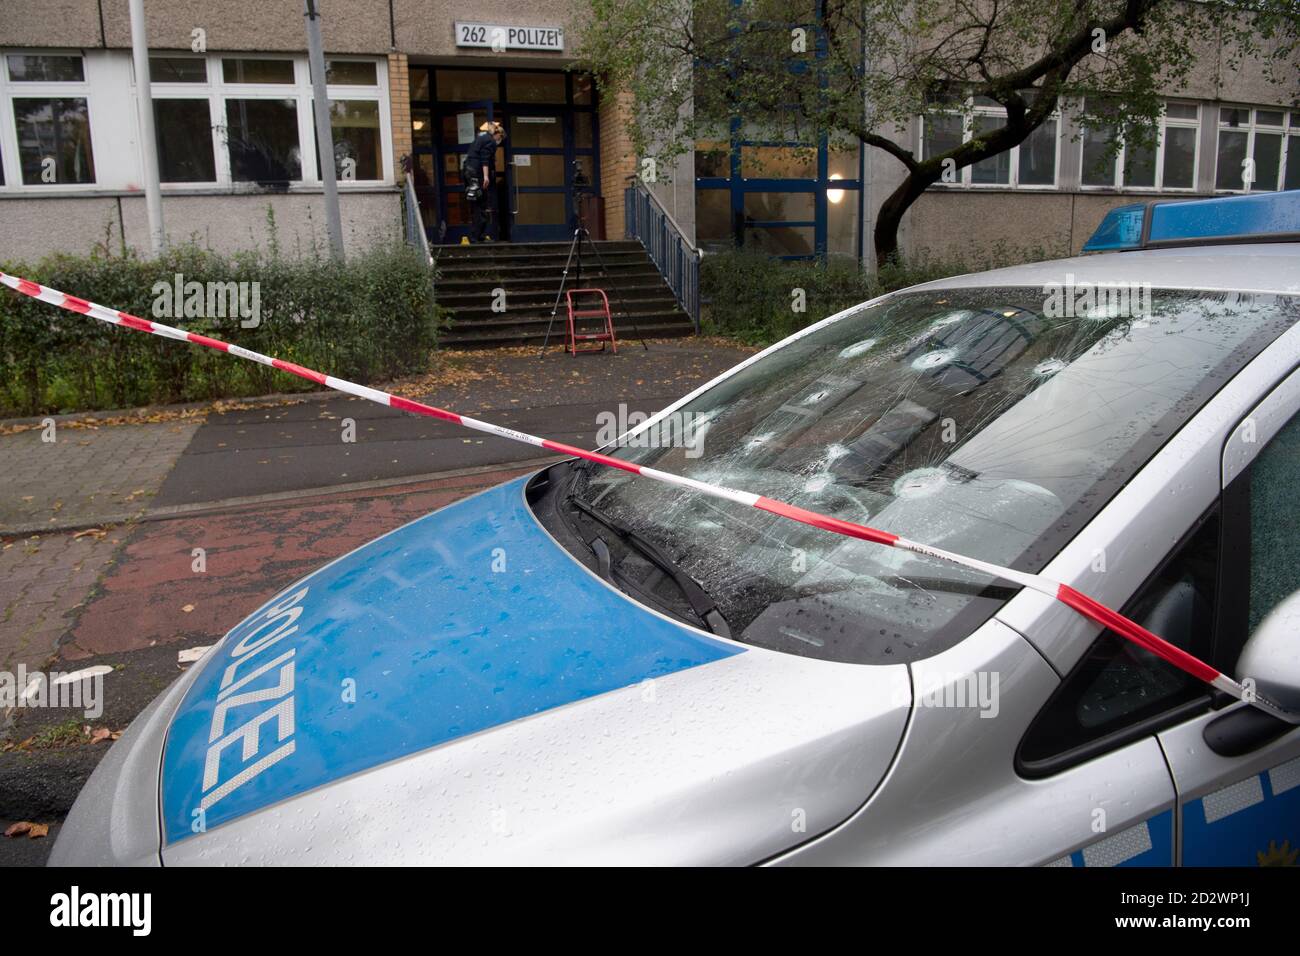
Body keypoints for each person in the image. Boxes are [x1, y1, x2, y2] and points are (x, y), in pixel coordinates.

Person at [463, 121, 505, 242]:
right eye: (501, 138)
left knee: (478, 203)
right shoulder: (490, 141)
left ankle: (479, 234)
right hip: (477, 174)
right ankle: (475, 236)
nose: (500, 141)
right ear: (498, 135)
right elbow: (484, 159)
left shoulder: (481, 138)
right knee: (480, 204)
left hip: (470, 172)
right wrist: (486, 176)